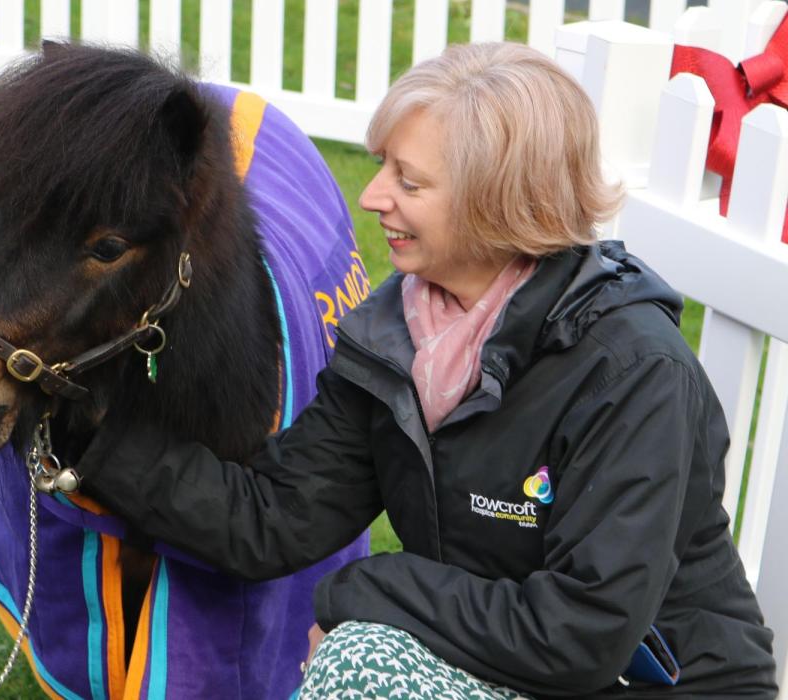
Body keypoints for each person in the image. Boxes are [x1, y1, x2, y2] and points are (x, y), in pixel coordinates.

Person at [67, 42, 779, 698]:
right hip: (501, 664)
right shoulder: (397, 335)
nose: (372, 196)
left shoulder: (633, 371)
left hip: (658, 685)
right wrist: (87, 433)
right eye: (382, 167)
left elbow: (582, 632)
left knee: (360, 661)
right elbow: (275, 517)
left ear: (496, 202)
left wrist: (366, 591)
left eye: (408, 182)